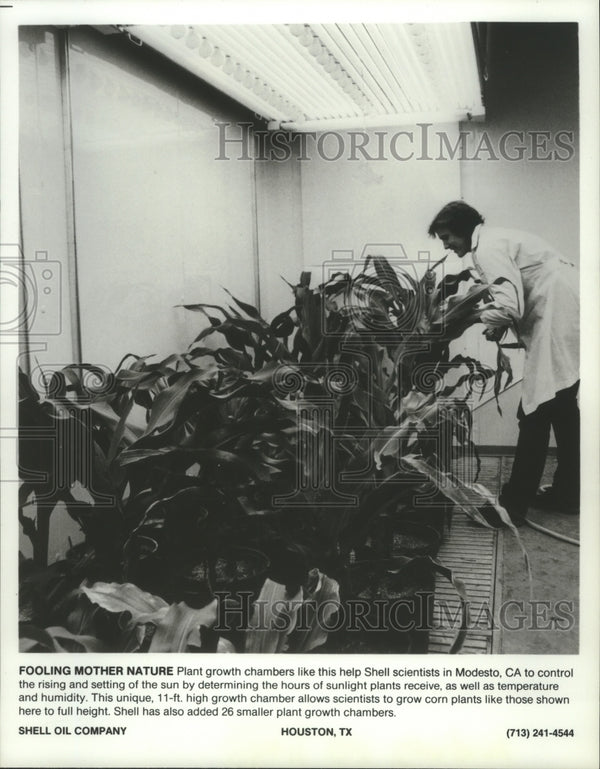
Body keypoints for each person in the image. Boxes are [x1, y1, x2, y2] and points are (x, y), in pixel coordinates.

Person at [428, 201, 580, 525]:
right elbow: (510, 300)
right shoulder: (498, 239)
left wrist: (464, 318)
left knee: (535, 410)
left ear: (464, 228)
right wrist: (492, 322)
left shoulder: (487, 248)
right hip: (570, 309)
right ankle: (569, 493)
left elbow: (510, 306)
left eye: (447, 237)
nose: (446, 245)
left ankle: (511, 508)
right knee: (564, 407)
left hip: (559, 314)